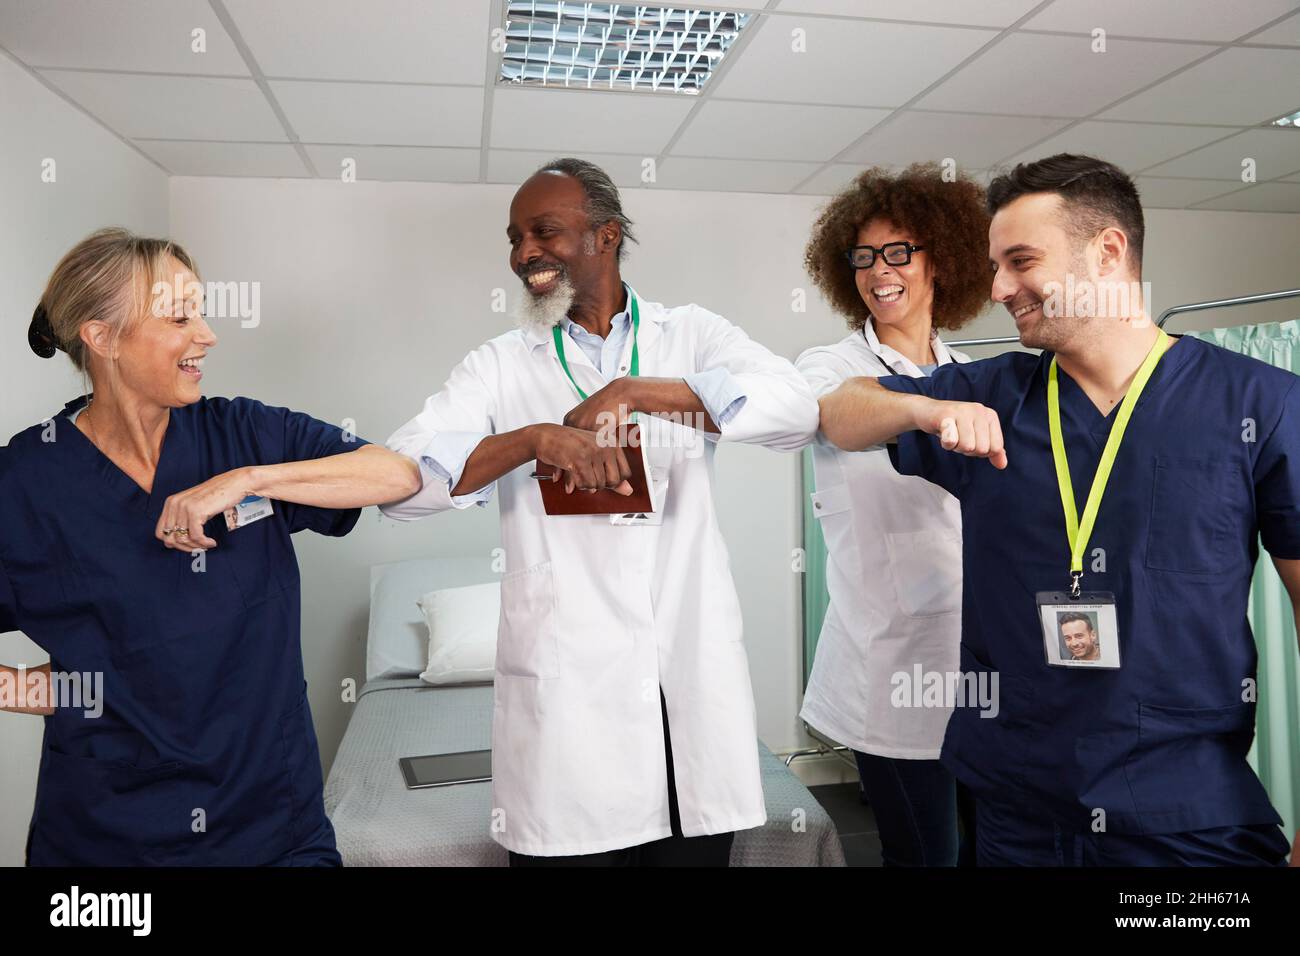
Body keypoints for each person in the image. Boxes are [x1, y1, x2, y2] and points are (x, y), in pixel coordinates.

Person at [815, 153, 1300, 866]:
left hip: (1187, 821)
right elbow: (839, 411)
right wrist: (923, 408)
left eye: (1020, 261)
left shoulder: (1259, 405)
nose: (999, 288)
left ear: (1108, 251)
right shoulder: (990, 394)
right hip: (1018, 814)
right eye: (995, 266)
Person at [381, 158, 819, 866]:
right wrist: (531, 440)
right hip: (569, 710)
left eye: (543, 231)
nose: (523, 253)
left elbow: (797, 410)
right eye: (515, 238)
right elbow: (402, 482)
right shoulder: (499, 364)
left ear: (606, 236)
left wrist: (641, 392)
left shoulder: (690, 335)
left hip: (685, 687)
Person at [0, 228, 421, 865]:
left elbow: (397, 474)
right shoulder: (27, 480)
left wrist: (249, 480)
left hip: (273, 824)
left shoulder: (242, 434)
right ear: (102, 337)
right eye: (179, 318)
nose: (208, 335)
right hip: (107, 843)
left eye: (201, 312)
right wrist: (67, 694)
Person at [795, 164, 990, 866]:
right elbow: (838, 414)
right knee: (926, 857)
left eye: (899, 251)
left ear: (943, 259)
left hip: (980, 663)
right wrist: (925, 409)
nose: (880, 270)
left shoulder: (970, 372)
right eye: (864, 256)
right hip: (890, 667)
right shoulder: (830, 364)